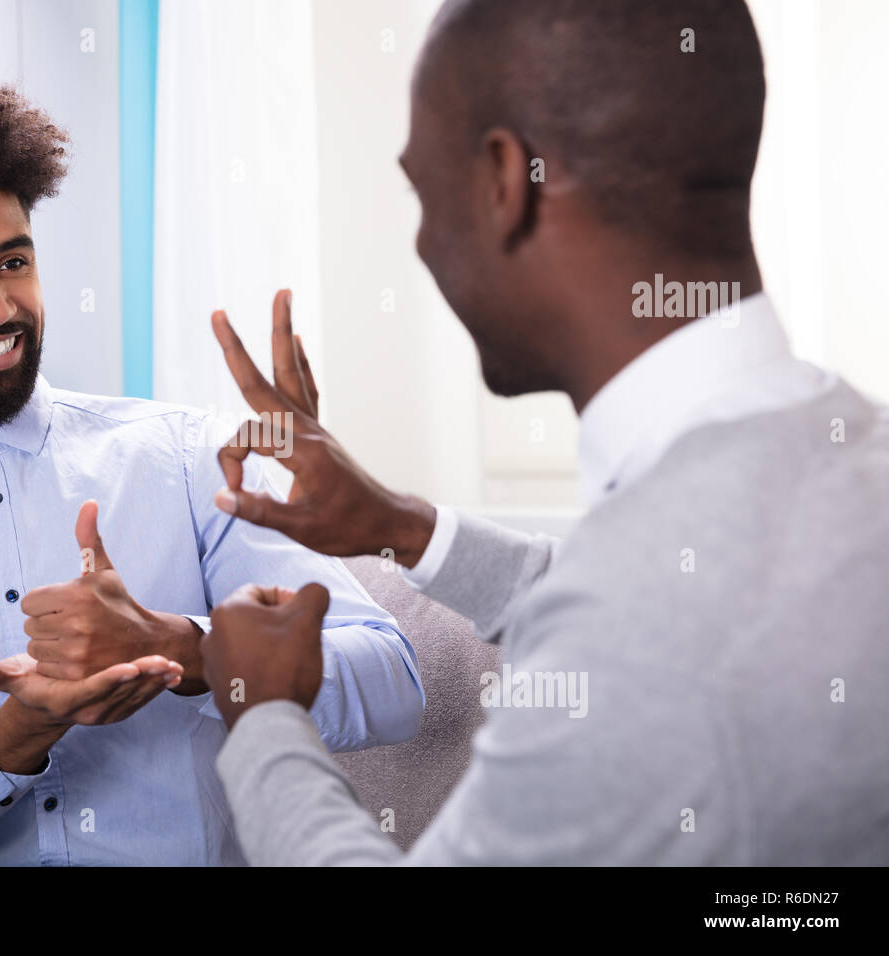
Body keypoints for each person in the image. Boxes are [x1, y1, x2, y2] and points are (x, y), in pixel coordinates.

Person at [198, 0, 889, 865]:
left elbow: (651, 630)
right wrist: (403, 529)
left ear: (503, 182)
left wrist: (264, 715)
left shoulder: (647, 628)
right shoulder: (840, 452)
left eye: (423, 190)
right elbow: (667, 604)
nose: (420, 242)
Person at [0, 59, 422, 866]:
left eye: (13, 262)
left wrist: (186, 649)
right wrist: (9, 738)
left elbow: (396, 685)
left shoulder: (186, 459)